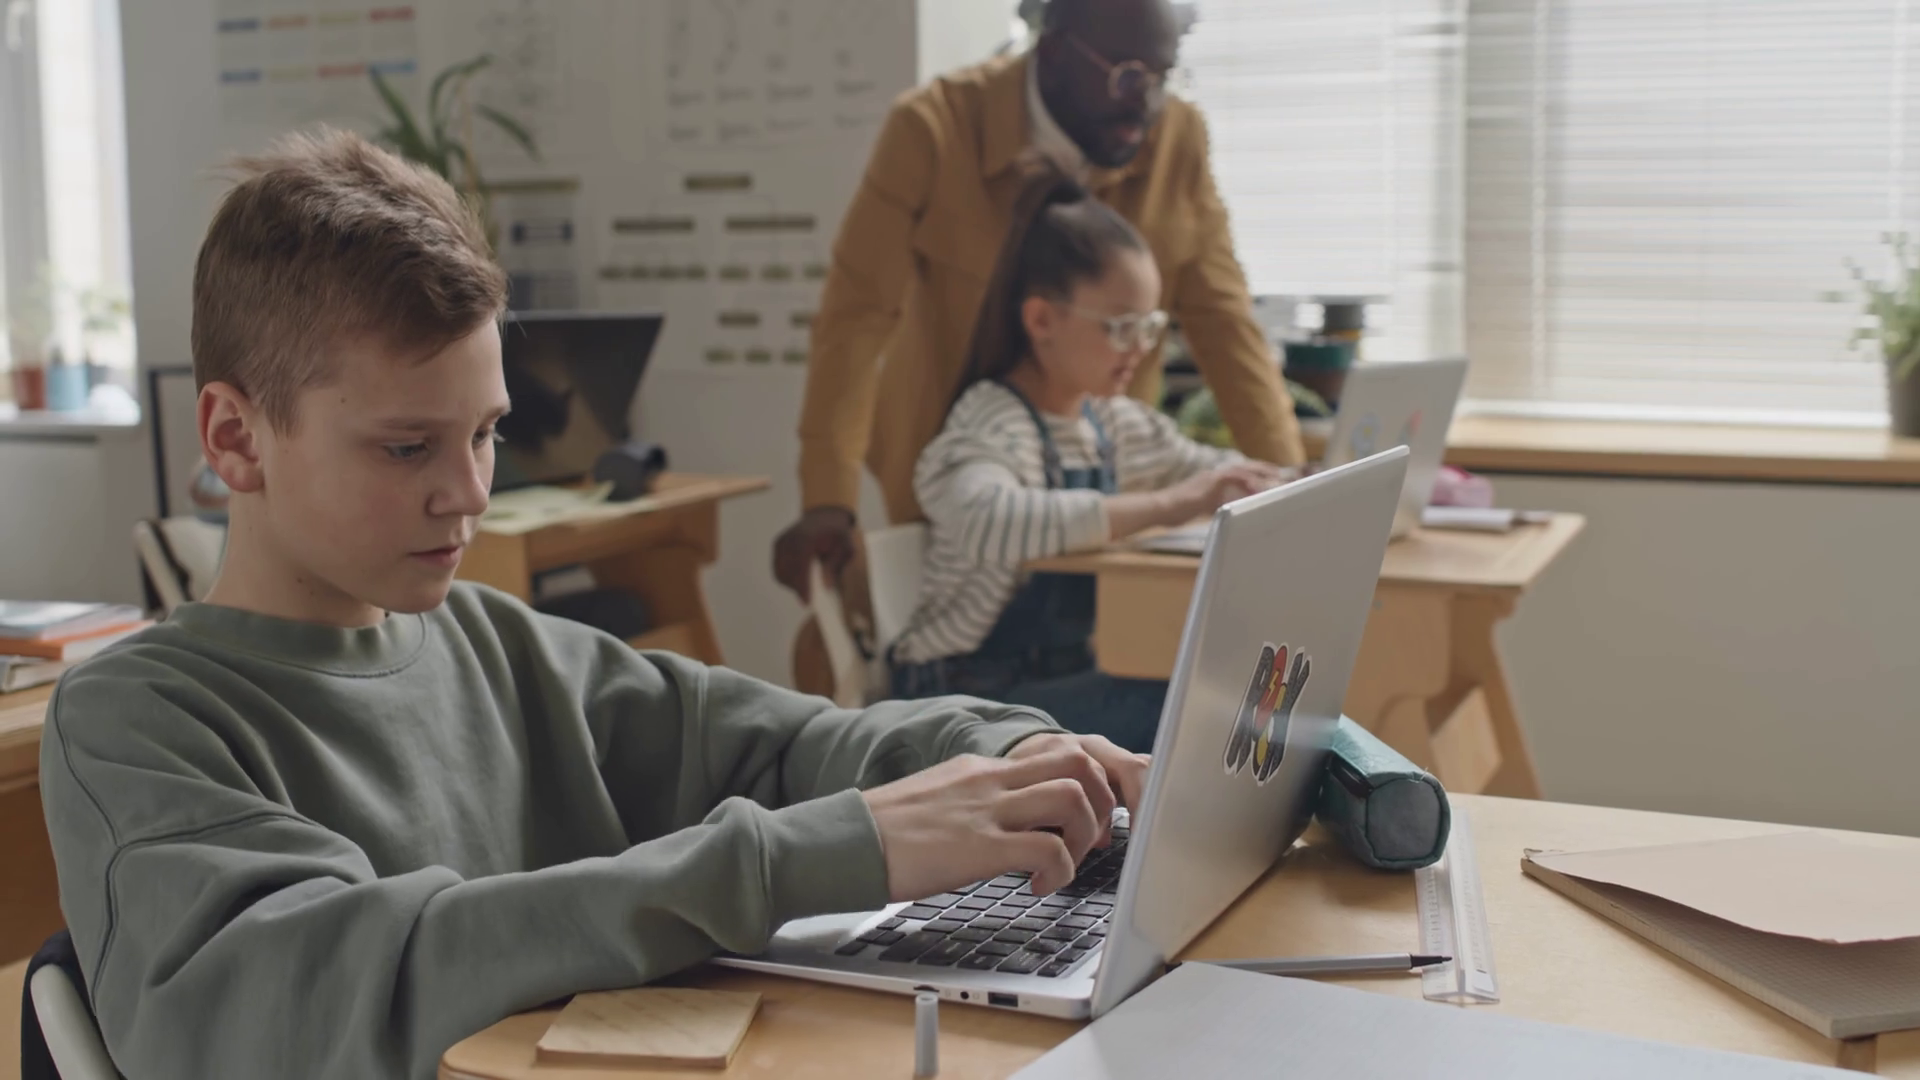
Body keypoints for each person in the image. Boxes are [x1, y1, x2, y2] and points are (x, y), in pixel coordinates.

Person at [39, 130, 1148, 1080]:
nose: (470, 493)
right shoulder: (132, 721)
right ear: (235, 437)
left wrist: (1021, 757)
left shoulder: (492, 643)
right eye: (407, 446)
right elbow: (358, 977)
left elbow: (786, 746)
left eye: (484, 432)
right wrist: (801, 857)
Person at [774, 0, 1306, 603]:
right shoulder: (934, 126)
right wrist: (826, 497)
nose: (1147, 105)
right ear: (1051, 51)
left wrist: (1290, 491)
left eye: (1163, 76)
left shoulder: (1174, 137)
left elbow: (1225, 323)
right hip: (952, 464)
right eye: (1127, 77)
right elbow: (855, 320)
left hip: (1104, 476)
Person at [888, 170, 1290, 753]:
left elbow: (1204, 467)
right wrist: (1174, 503)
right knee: (1202, 719)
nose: (1140, 349)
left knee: (1217, 699)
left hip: (1051, 685)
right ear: (1042, 320)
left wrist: (1275, 481)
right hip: (958, 701)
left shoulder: (1112, 422)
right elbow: (986, 516)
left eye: (1150, 326)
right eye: (1121, 327)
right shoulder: (990, 422)